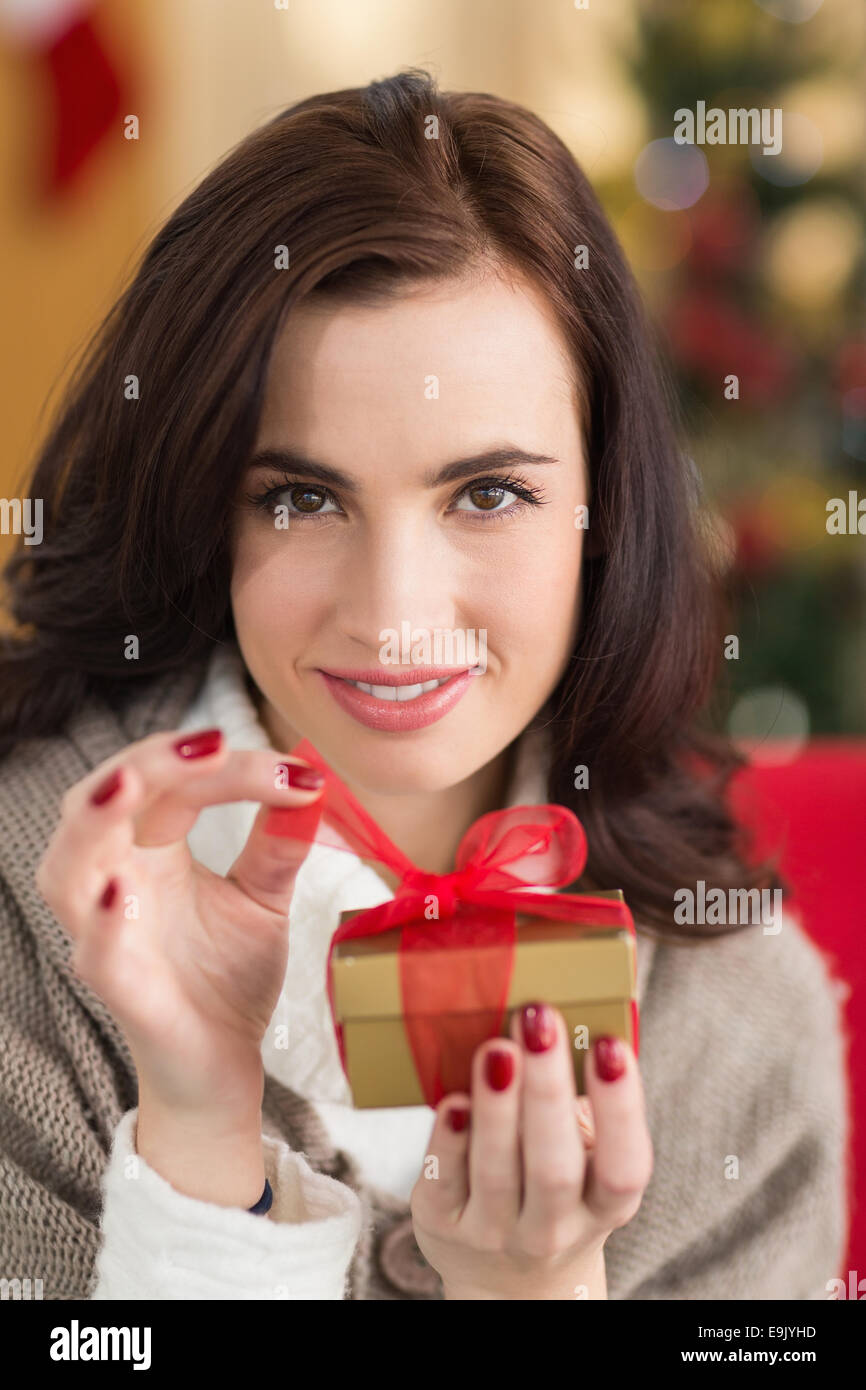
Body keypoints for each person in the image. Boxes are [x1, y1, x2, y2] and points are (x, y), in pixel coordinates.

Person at [0, 69, 849, 1301]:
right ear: (206, 511)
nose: (394, 618)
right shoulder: (29, 929)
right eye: (300, 497)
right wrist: (199, 1139)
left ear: (602, 510)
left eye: (487, 493)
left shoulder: (741, 1032)